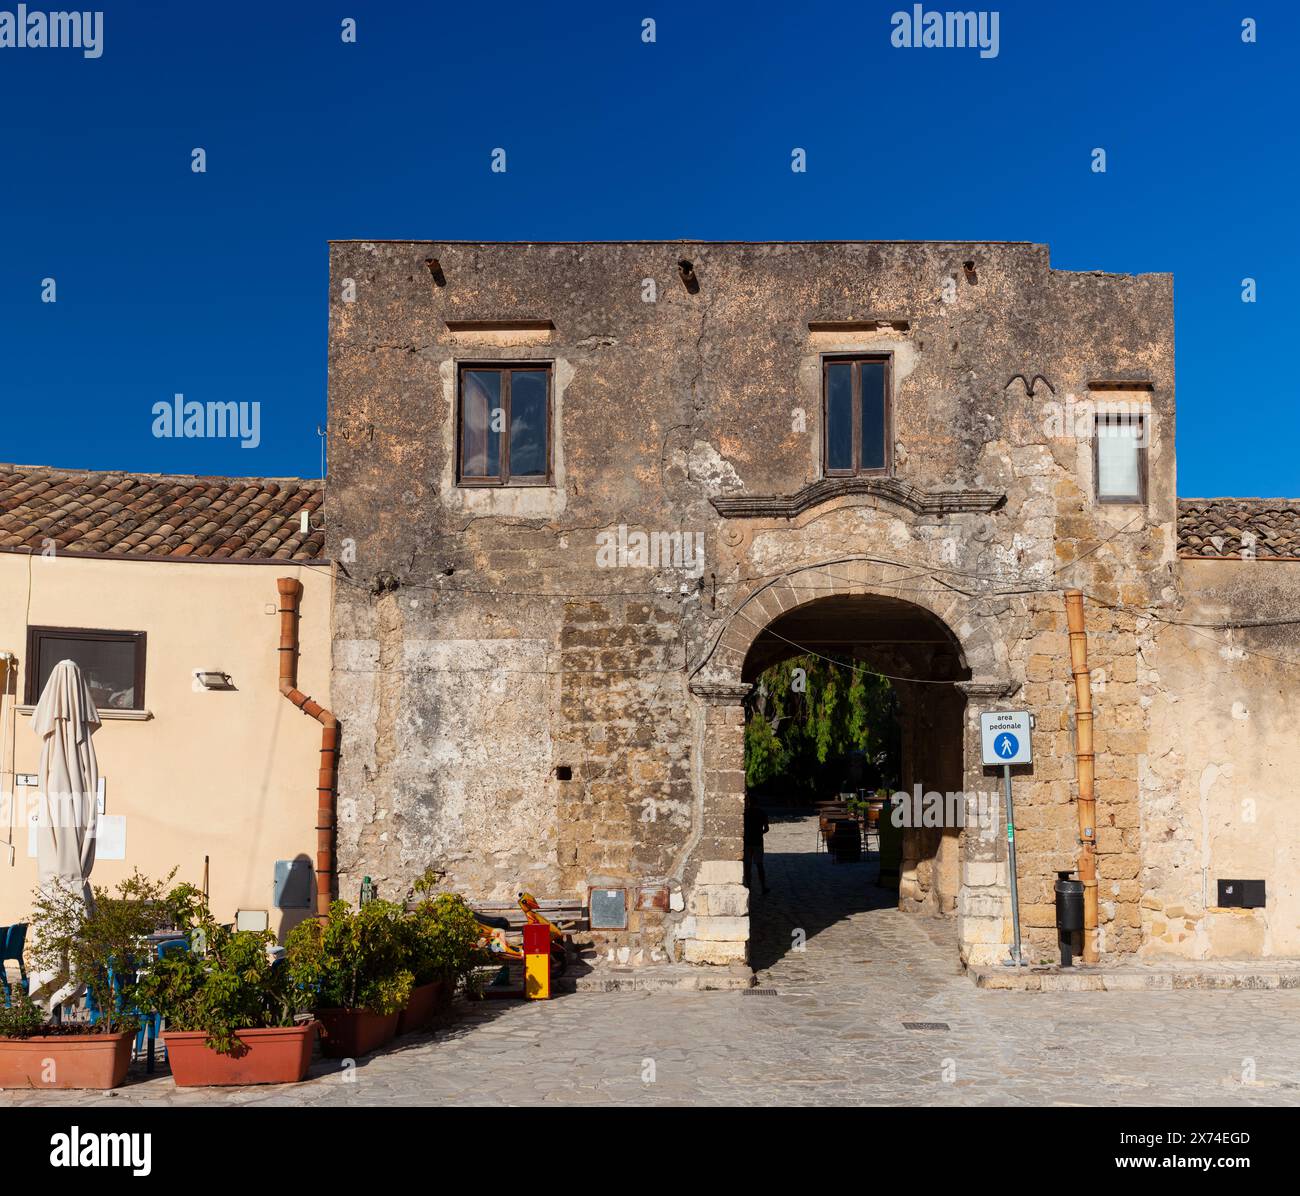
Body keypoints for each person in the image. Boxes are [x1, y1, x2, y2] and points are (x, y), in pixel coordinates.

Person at [743, 795, 770, 894]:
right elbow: (766, 829)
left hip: (747, 842)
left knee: (747, 866)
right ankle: (763, 887)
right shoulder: (762, 813)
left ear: (749, 803)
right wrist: (759, 833)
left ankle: (748, 887)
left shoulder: (745, 813)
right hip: (758, 842)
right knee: (759, 865)